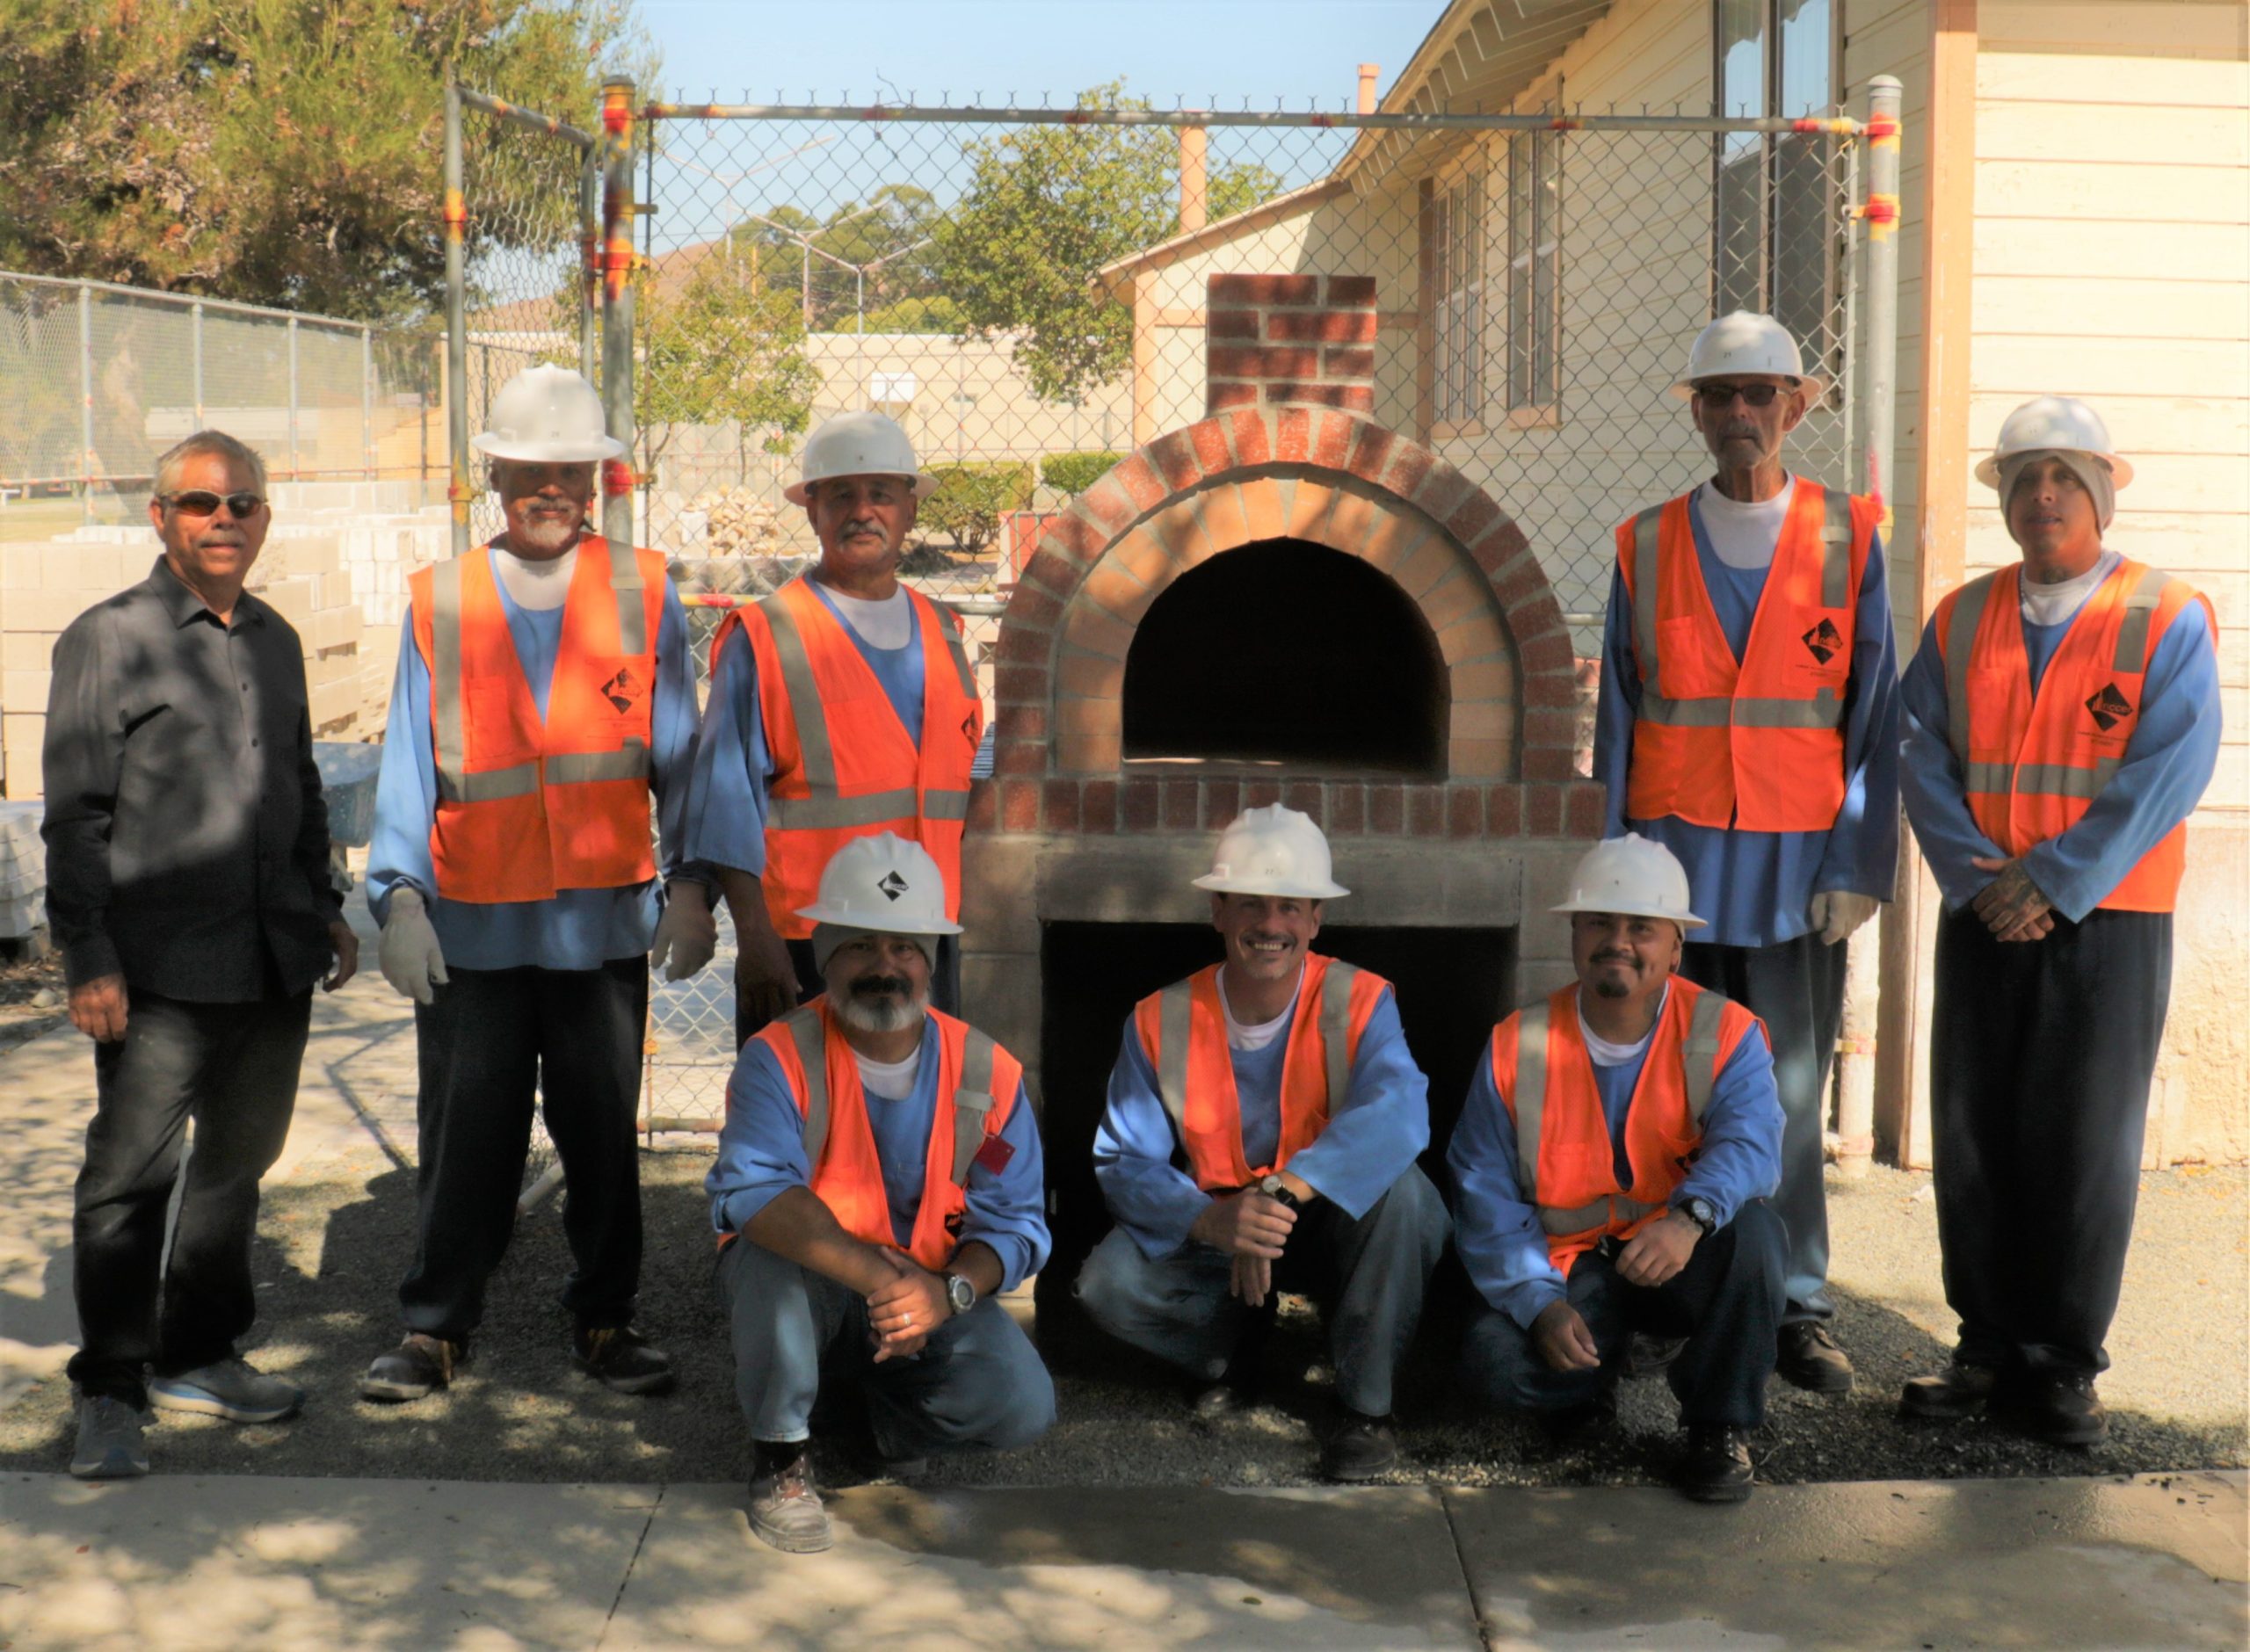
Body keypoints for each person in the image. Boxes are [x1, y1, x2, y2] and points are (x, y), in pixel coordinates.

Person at [359, 366, 716, 1403]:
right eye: (530, 470)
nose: (551, 487)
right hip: (473, 927)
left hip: (600, 925)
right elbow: (408, 764)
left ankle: (606, 1317)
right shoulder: (444, 597)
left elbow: (681, 753)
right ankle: (435, 1325)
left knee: (602, 1132)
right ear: (496, 476)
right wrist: (401, 898)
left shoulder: (647, 589)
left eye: (569, 469)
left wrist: (691, 884)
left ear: (598, 476)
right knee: (466, 1130)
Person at [1897, 397, 2219, 1446]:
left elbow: (2168, 768)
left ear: (2101, 491)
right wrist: (1973, 874)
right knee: (1976, 1132)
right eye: (2023, 477)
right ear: (2001, 495)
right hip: (1982, 907)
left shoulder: (2164, 614)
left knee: (2081, 1144)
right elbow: (1919, 751)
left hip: (2103, 921)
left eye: (2063, 478)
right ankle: (1983, 1345)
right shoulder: (1959, 617)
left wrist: (2055, 880)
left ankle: (2062, 1364)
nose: (2042, 497)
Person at [1592, 309, 1898, 1395]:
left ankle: (1794, 1302)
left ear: (1795, 405)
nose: (1738, 414)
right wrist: (1616, 880)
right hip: (1670, 865)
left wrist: (1860, 865)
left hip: (1792, 867)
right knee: (1652, 1084)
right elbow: (1619, 722)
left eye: (1758, 394)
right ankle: (1648, 1287)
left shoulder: (1850, 535)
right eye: (1718, 396)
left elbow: (1875, 711)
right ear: (1695, 409)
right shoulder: (1643, 541)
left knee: (1784, 1085)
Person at [43, 431, 359, 1479]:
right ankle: (110, 1390)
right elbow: (76, 814)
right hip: (158, 973)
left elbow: (300, 784)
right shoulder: (109, 638)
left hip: (274, 961)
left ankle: (199, 1355)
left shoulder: (275, 637)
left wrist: (326, 904)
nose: (223, 520)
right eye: (199, 503)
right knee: (129, 1178)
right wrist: (88, 952)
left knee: (235, 1169)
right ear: (161, 517)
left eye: (243, 504)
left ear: (265, 517)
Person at [1075, 806, 1449, 1482]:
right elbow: (1123, 1160)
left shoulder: (1362, 999)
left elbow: (1399, 1114)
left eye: (1289, 907)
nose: (1269, 925)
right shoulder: (1160, 1017)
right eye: (1250, 904)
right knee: (1109, 1283)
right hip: (1221, 1230)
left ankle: (1366, 1407)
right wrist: (1214, 1220)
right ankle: (1233, 1352)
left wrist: (1280, 1193)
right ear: (1217, 911)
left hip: (1325, 1216)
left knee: (1410, 1200)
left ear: (1315, 919)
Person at [708, 834, 1054, 1554]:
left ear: (931, 959)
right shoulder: (775, 1057)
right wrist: (880, 1280)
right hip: (819, 1283)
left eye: (904, 947)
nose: (885, 966)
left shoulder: (990, 1071)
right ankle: (782, 1459)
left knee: (1022, 1403)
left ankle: (868, 1424)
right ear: (826, 953)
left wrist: (948, 1294)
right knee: (765, 1257)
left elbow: (1016, 1224)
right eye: (860, 945)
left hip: (928, 1296)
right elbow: (757, 1196)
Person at [1450, 835, 1786, 1503]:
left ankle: (1719, 1426)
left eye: (1642, 927)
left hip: (1678, 1253)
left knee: (1756, 1238)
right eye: (1600, 922)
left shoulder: (1726, 1032)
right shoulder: (1517, 1043)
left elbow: (1753, 1145)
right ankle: (1591, 1384)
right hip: (1572, 1269)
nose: (1619, 941)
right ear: (1575, 934)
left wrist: (1691, 1220)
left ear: (1675, 946)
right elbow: (1481, 1190)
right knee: (1494, 1368)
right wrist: (1537, 1303)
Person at [686, 411, 983, 1045]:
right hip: (806, 944)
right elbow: (724, 802)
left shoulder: (945, 633)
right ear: (813, 509)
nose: (862, 510)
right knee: (803, 1123)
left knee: (913, 1123)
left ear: (908, 507)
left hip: (922, 933)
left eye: (881, 493)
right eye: (842, 494)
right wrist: (755, 942)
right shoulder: (768, 636)